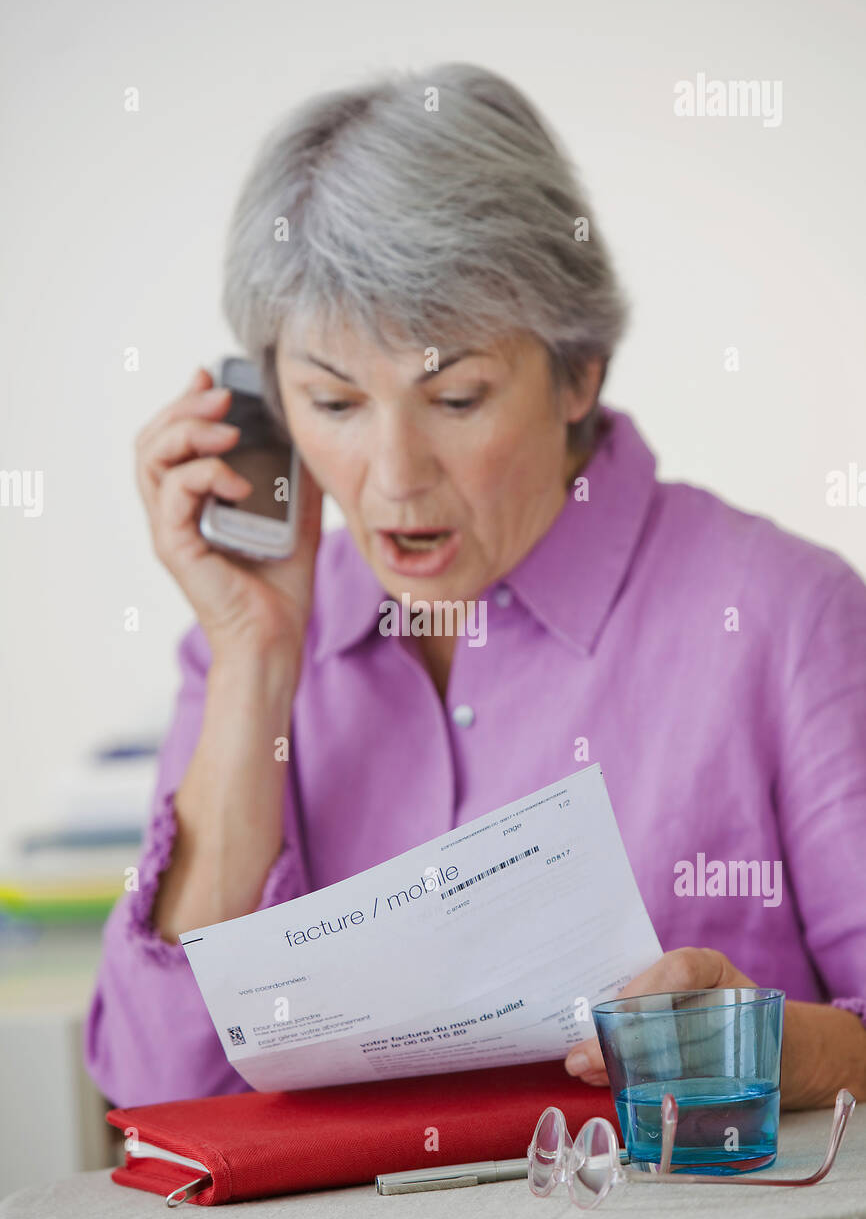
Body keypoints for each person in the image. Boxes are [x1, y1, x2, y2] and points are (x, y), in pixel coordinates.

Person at [84, 62, 866, 1111]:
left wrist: (763, 1046)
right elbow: (152, 1089)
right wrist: (254, 660)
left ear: (576, 371)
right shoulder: (254, 638)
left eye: (454, 396)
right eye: (333, 401)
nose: (394, 476)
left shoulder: (785, 618)